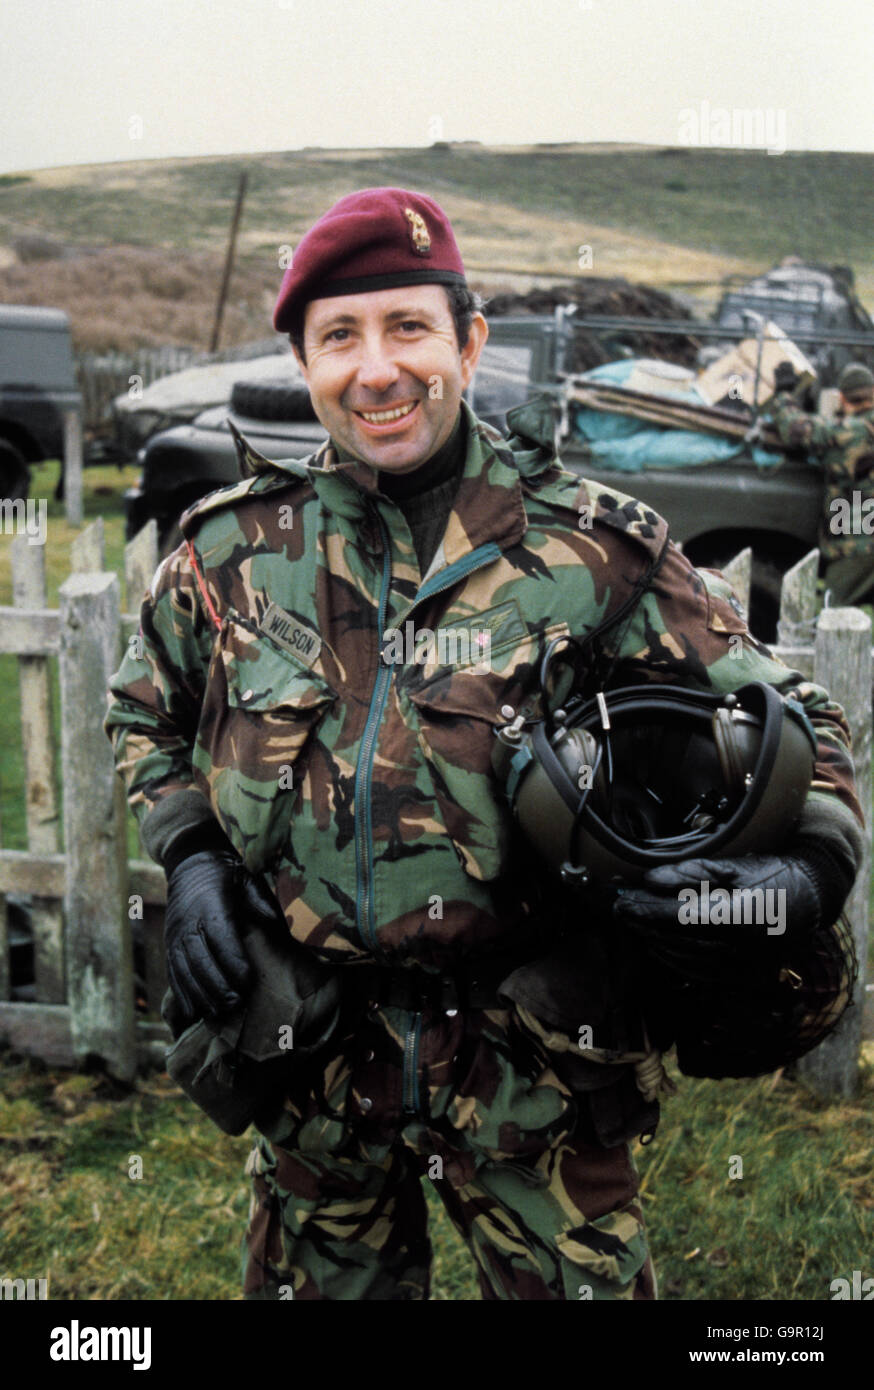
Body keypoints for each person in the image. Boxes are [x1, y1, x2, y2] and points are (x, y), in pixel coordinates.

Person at [104, 188, 864, 1301]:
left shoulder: (595, 550)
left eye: (408, 327)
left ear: (469, 341)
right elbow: (145, 714)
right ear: (305, 361)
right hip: (311, 1055)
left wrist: (804, 866)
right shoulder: (229, 554)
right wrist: (194, 855)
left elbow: (799, 722)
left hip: (534, 1062)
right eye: (340, 338)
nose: (376, 371)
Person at [770, 360, 874, 606]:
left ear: (842, 397)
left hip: (858, 545)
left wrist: (784, 394)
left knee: (833, 617)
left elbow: (795, 428)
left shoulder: (845, 432)